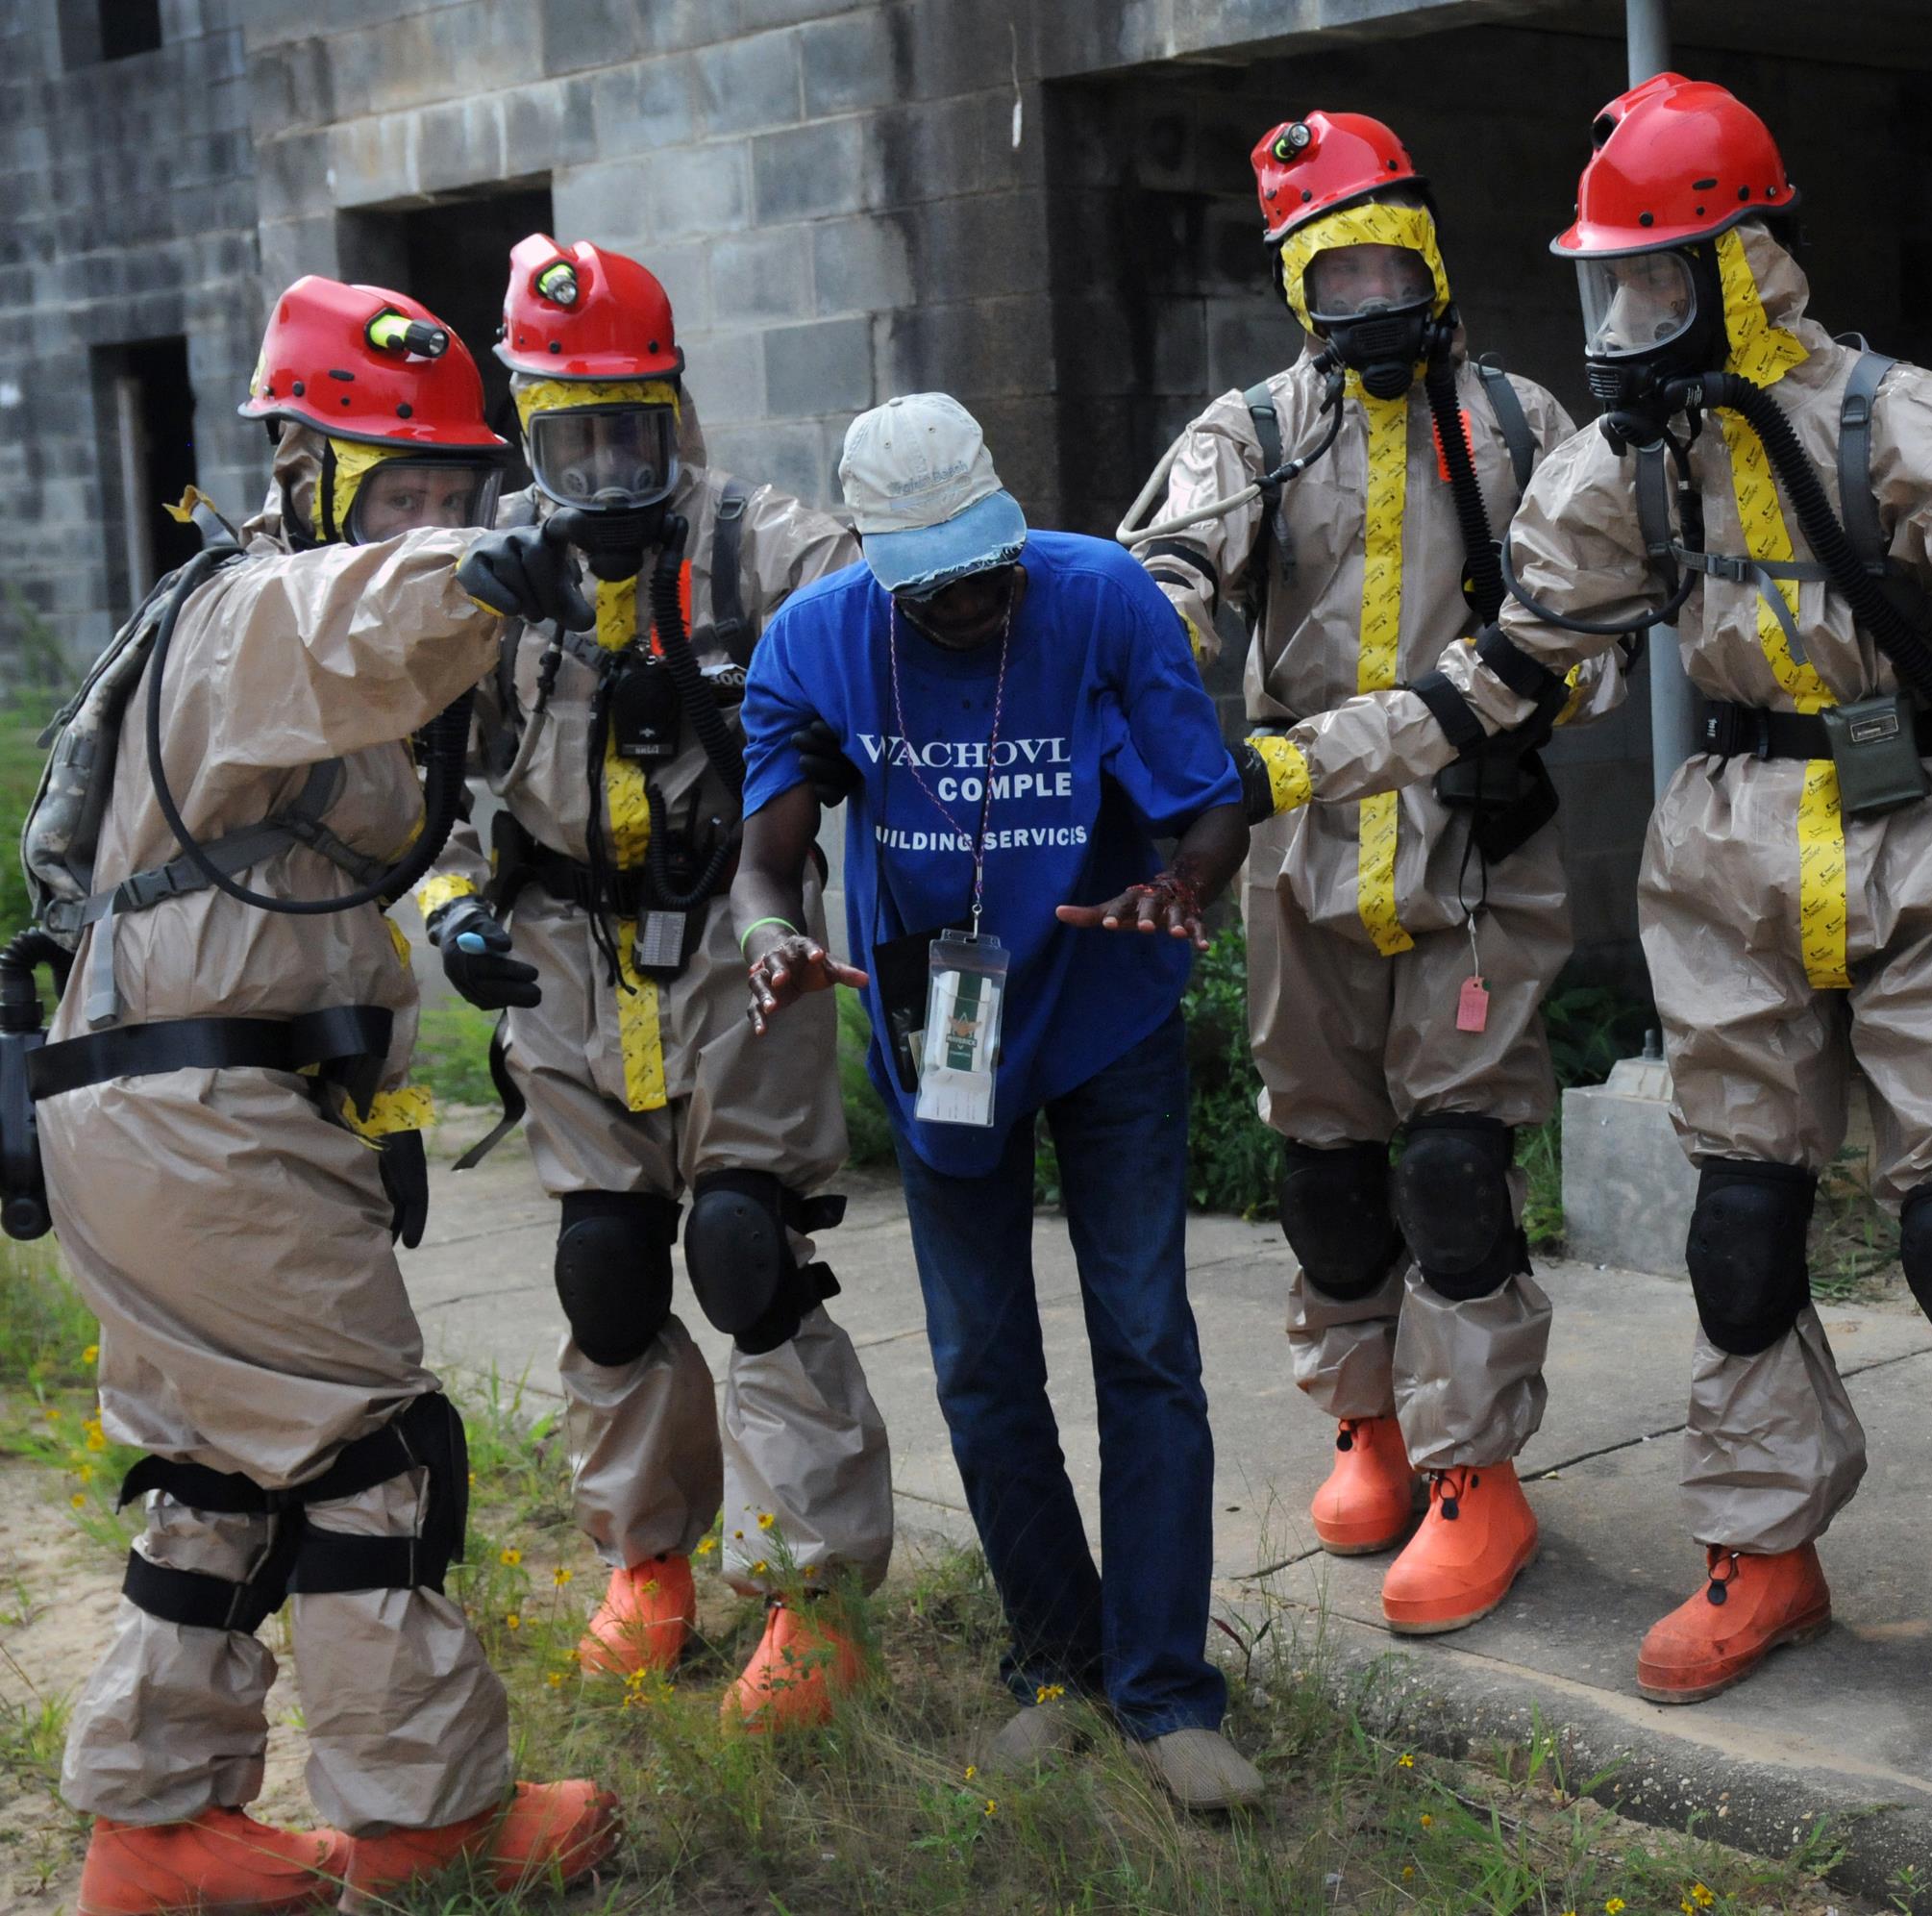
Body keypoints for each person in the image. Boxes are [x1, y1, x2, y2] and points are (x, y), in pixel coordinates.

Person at [1246, 75, 1932, 1784]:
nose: (1624, 320)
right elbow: (1496, 678)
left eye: (1657, 284)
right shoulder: (1615, 474)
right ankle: (1764, 1551)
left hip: (1923, 849)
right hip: (1729, 861)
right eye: (1610, 286)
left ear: (1747, 267)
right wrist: (1293, 763)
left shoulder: (1903, 427)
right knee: (1740, 1238)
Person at [30, 277, 615, 1914]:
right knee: (376, 1456)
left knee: (219, 1471)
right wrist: (479, 564)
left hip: (176, 1113)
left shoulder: (267, 643)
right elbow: (367, 616)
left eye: (453, 490)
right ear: (301, 467)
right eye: (396, 486)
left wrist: (443, 952)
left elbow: (327, 852)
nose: (430, 516)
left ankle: (157, 1832)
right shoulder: (264, 607)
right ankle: (429, 1826)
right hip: (205, 1122)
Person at [1125, 111, 1622, 1634]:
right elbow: (1161, 584)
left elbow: (1581, 627)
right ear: (1294, 286)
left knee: (1456, 1171)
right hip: (1301, 849)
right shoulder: (1256, 433)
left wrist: (1549, 693)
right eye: (1328, 271)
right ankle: (1374, 1427)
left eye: (1383, 255)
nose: (1367, 294)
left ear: (1428, 245)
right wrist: (1153, 682)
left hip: (1479, 841)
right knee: (1330, 1172)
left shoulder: (1526, 424)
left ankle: (1482, 1476)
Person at [731, 393, 1264, 1812]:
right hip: (943, 1035)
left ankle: (1164, 1690)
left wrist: (1184, 881)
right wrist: (767, 933)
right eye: (933, 582)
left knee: (1146, 1342)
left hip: (1107, 1013)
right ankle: (1054, 1662)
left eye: (985, 567)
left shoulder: (1101, 599)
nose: (967, 602)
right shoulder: (817, 640)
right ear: (872, 558)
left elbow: (1216, 800)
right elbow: (765, 854)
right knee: (979, 1360)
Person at [411, 235, 891, 1729]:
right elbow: (395, 789)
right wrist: (447, 918)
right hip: (562, 960)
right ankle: (651, 1557)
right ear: (528, 433)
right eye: (572, 437)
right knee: (605, 1273)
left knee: (747, 1254)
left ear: (674, 412)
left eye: (633, 429)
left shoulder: (765, 547)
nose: (608, 469)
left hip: (739, 951)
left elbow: (903, 628)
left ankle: (812, 1592)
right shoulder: (485, 577)